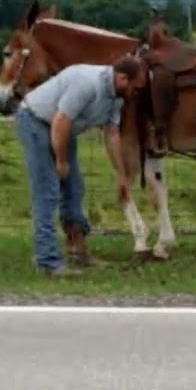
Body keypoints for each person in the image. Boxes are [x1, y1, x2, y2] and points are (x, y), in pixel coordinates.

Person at [12, 56, 147, 275]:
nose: (136, 92)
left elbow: (112, 134)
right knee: (48, 192)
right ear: (123, 78)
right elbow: (60, 121)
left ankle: (78, 252)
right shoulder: (87, 83)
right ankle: (47, 262)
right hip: (36, 121)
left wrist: (122, 175)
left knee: (74, 189)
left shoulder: (117, 97)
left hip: (64, 128)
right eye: (135, 86)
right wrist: (61, 160)